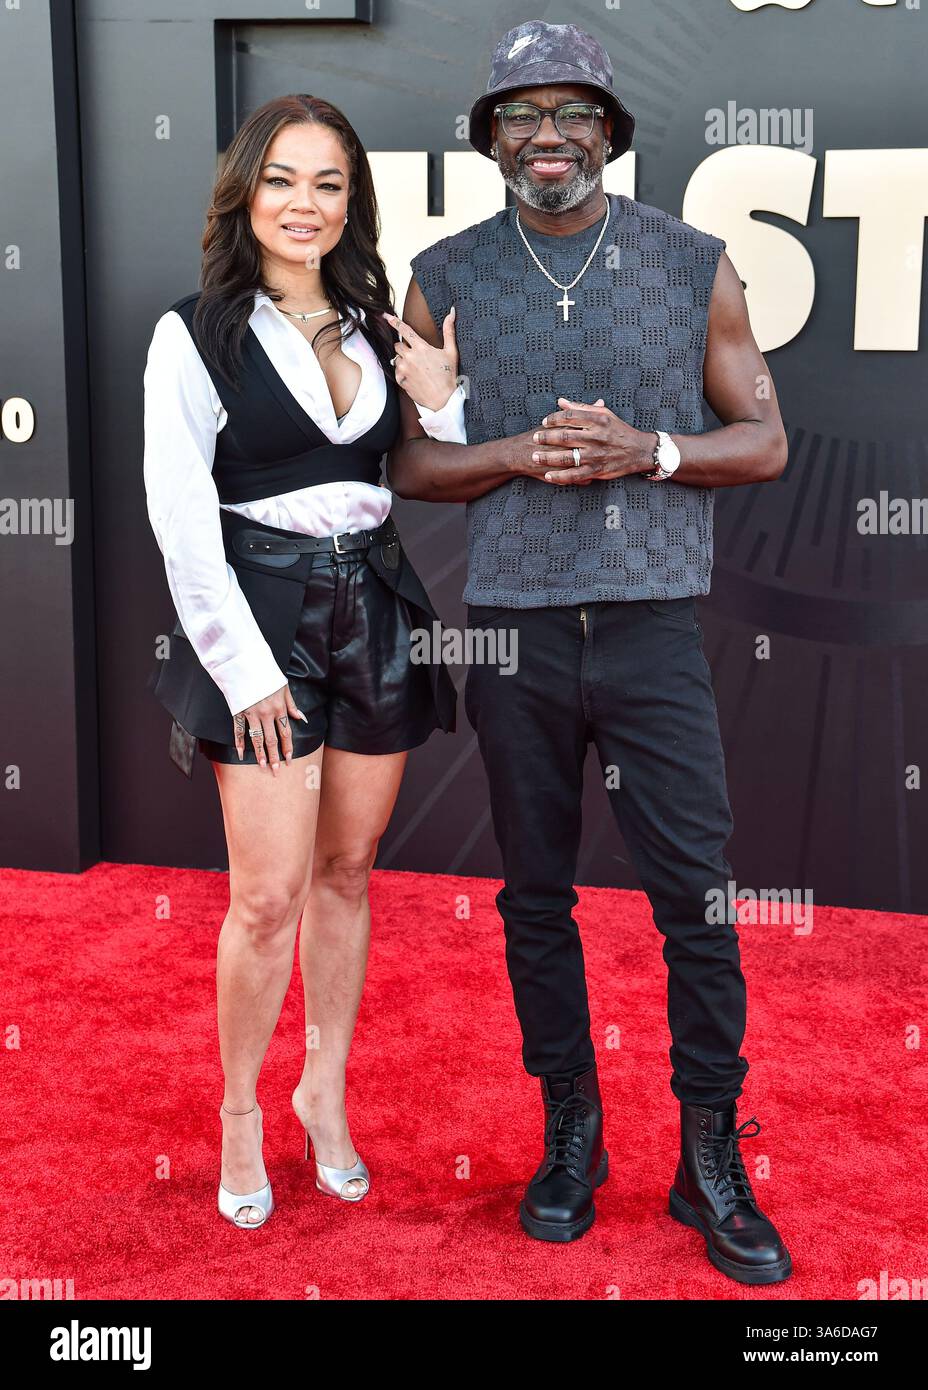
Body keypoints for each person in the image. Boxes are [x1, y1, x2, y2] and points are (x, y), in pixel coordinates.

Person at [386, 21, 793, 1283]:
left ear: (609, 132)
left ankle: (708, 1152)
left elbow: (764, 440)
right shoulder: (443, 274)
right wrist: (512, 453)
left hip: (649, 621)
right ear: (490, 137)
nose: (547, 135)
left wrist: (647, 451)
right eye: (520, 114)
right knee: (535, 896)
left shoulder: (691, 263)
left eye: (572, 113)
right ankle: (571, 1127)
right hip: (514, 632)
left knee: (696, 900)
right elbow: (410, 465)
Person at [143, 93, 464, 1228]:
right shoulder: (194, 332)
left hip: (373, 605)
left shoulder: (378, 324)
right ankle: (239, 1110)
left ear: (350, 204)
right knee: (269, 893)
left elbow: (432, 463)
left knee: (345, 876)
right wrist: (243, 671)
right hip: (260, 619)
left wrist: (443, 399)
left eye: (329, 184)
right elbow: (183, 523)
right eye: (283, 179)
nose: (305, 204)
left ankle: (322, 1090)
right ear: (244, 190)